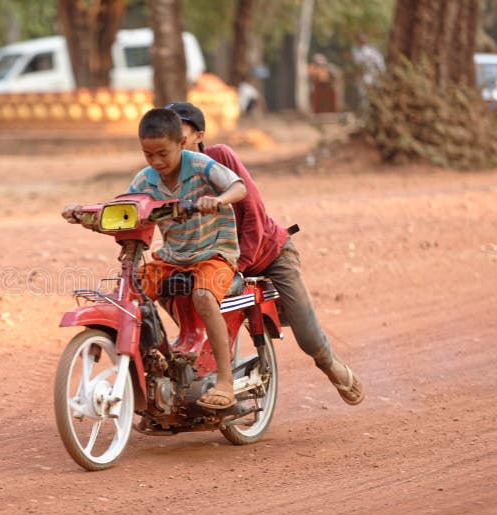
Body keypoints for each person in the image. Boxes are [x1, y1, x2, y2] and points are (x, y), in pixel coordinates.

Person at [165, 101, 364, 405]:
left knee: (306, 331)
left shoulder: (219, 157)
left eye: (179, 131)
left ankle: (330, 365)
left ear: (198, 136)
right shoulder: (168, 175)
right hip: (219, 262)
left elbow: (254, 213)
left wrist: (237, 265)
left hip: (270, 252)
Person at [62, 108, 248, 410]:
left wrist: (218, 199)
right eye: (149, 155)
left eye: (163, 153)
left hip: (215, 251)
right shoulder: (145, 179)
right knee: (131, 297)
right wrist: (81, 212)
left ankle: (225, 380)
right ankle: (158, 362)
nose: (157, 162)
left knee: (203, 295)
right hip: (173, 256)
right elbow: (126, 209)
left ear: (181, 143)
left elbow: (238, 186)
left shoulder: (202, 165)